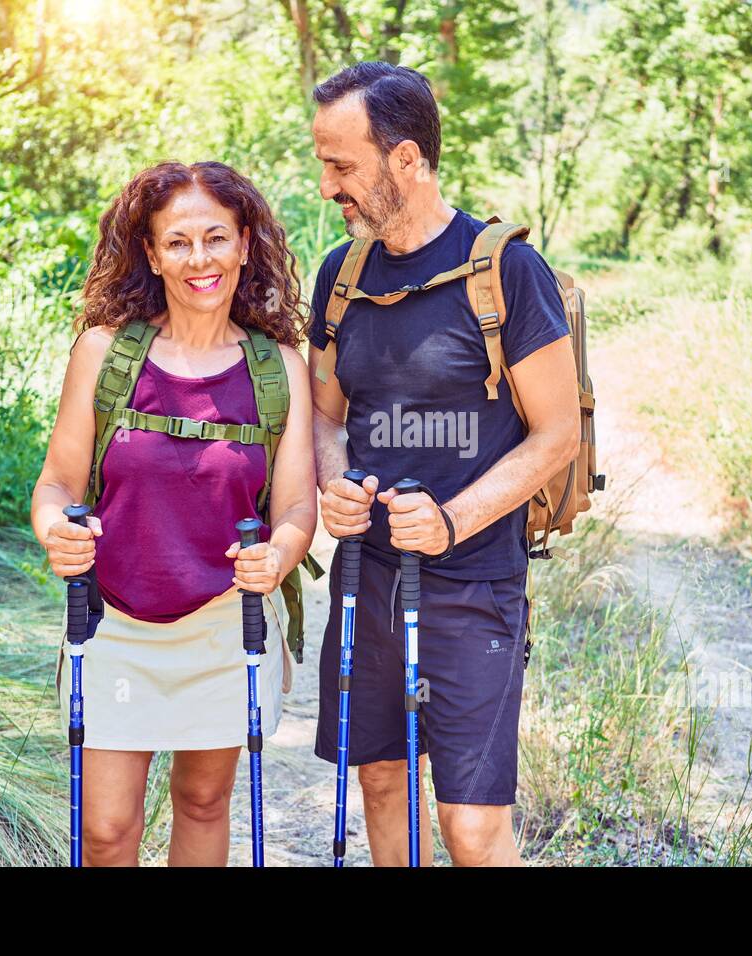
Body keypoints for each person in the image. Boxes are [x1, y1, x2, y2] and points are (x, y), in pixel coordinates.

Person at [307, 62, 581, 866]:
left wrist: (454, 520)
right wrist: (332, 484)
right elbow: (327, 419)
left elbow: (557, 433)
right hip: (367, 577)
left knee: (469, 825)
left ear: (405, 160)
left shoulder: (505, 272)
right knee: (383, 788)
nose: (327, 186)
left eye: (341, 164)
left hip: (474, 587)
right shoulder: (341, 276)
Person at [30, 161, 316, 866]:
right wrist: (55, 535)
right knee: (105, 831)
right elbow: (56, 486)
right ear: (152, 254)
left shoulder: (278, 369)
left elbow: (296, 506)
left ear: (246, 244)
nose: (200, 259)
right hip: (113, 625)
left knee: (202, 803)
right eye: (178, 242)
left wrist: (277, 557)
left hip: (224, 624)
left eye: (216, 238)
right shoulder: (105, 355)